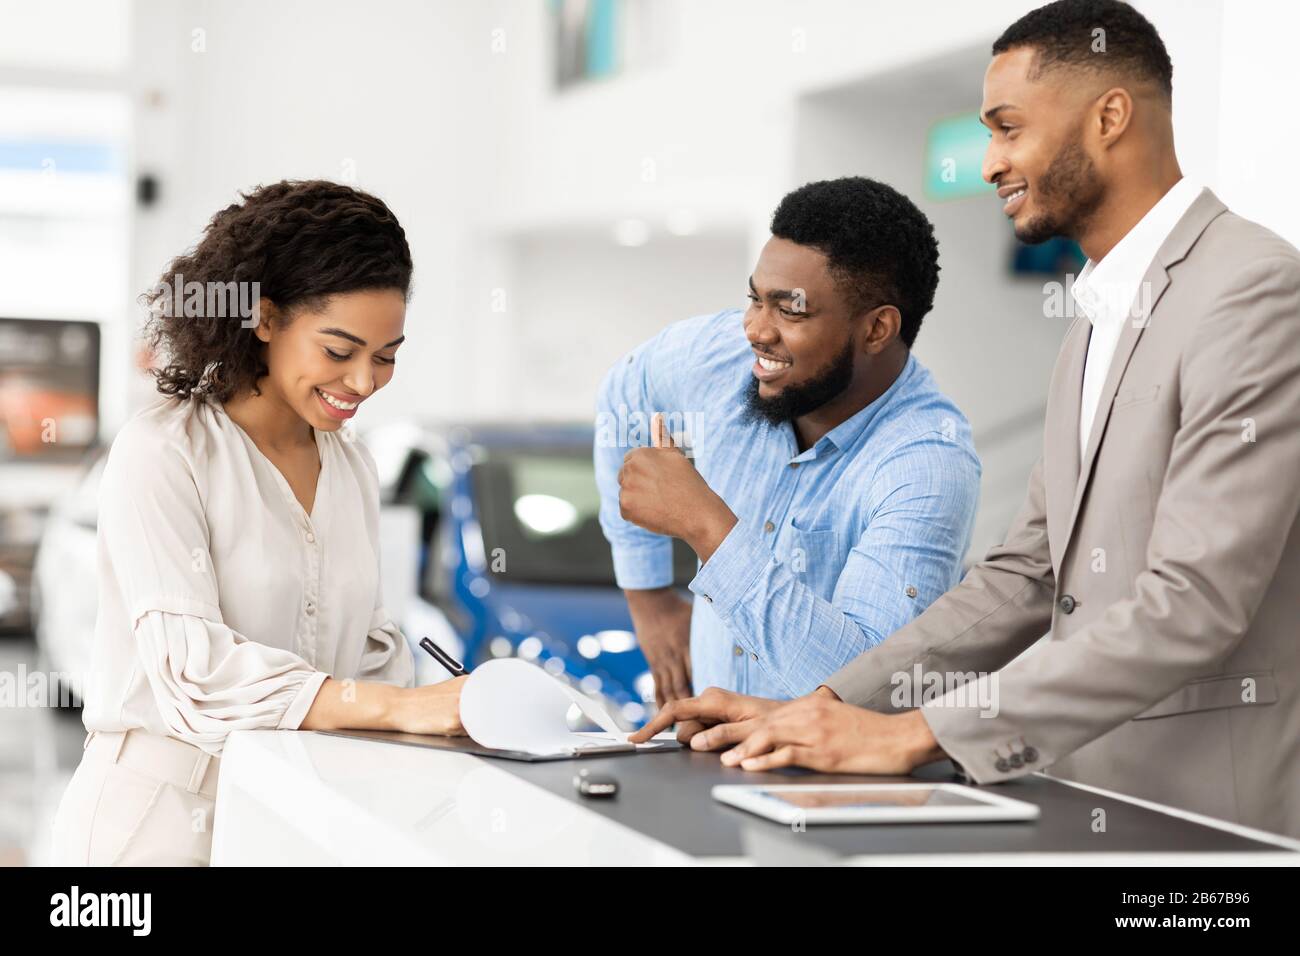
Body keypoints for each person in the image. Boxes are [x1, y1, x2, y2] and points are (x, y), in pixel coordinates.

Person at [633, 0, 1300, 840]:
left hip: (1203, 824)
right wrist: (826, 706)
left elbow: (1195, 600)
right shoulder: (1095, 316)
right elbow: (1026, 573)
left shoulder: (1252, 290)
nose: (990, 163)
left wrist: (918, 732)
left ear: (1110, 116)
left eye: (1007, 128)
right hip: (1078, 803)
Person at [51, 180, 466, 866]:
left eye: (386, 355)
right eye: (340, 351)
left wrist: (450, 710)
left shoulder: (351, 468)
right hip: (152, 827)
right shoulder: (164, 451)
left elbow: (367, 647)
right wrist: (393, 708)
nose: (364, 381)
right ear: (265, 319)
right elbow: (195, 677)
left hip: (291, 820)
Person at [595, 177, 980, 713]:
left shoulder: (927, 462)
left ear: (876, 330)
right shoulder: (720, 359)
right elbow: (623, 393)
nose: (755, 329)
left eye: (789, 310)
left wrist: (706, 525)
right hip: (705, 760)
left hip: (833, 787)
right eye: (754, 299)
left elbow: (865, 693)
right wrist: (648, 596)